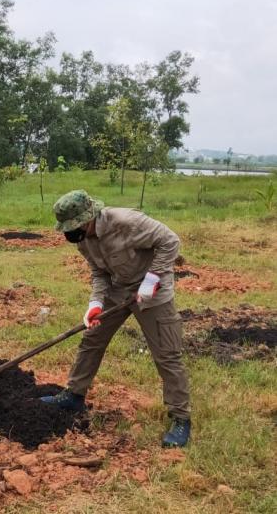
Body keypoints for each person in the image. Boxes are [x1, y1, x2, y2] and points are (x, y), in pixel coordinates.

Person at [41, 190, 191, 448]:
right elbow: (99, 272)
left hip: (152, 294)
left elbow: (170, 241)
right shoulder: (81, 239)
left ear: (88, 217)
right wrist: (96, 303)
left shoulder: (126, 223)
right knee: (92, 340)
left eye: (74, 226)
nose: (70, 232)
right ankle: (74, 395)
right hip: (117, 290)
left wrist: (153, 278)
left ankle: (181, 418)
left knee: (167, 354)